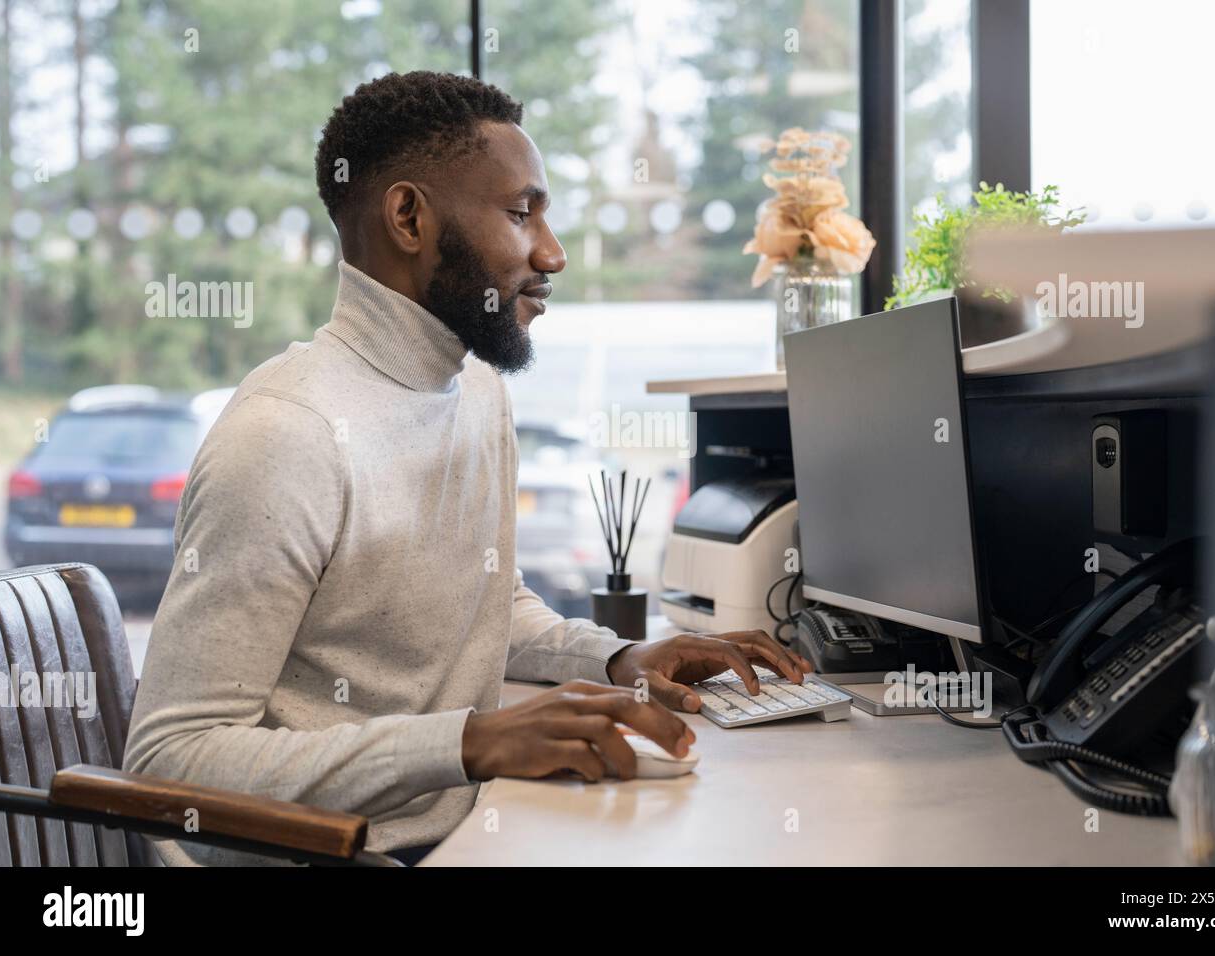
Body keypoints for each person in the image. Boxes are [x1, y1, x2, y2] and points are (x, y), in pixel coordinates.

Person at [123, 70, 812, 866]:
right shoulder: (287, 435)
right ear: (410, 217)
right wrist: (469, 743)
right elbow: (169, 768)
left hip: (460, 833)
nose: (551, 253)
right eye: (522, 214)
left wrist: (619, 659)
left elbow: (486, 609)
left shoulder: (477, 389)